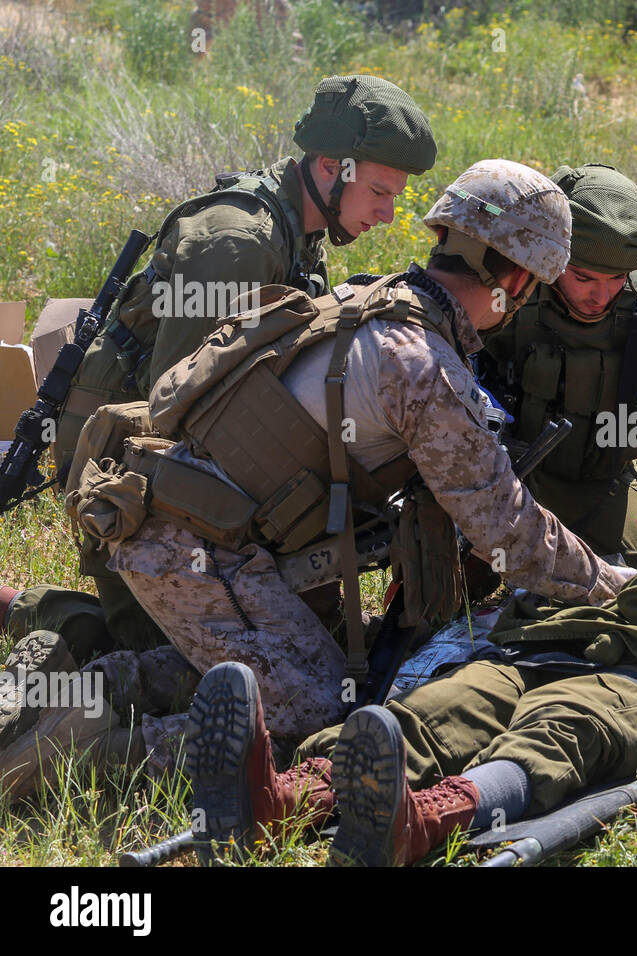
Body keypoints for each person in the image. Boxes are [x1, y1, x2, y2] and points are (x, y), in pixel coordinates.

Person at [0, 160, 632, 802]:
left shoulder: (370, 302)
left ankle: (76, 689)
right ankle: (76, 758)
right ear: (519, 279)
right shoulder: (421, 367)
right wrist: (617, 587)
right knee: (311, 713)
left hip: (177, 524)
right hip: (193, 551)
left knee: (270, 662)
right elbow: (509, 532)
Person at [1, 74, 438, 679]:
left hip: (171, 439)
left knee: (280, 635)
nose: (389, 215)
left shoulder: (298, 231)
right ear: (335, 168)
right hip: (120, 457)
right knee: (175, 665)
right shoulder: (239, 243)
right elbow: (171, 408)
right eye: (382, 192)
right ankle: (19, 610)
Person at [180, 518, 637, 865]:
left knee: (562, 732)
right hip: (560, 643)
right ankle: (283, 800)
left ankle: (422, 822)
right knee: (436, 711)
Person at [476, 163, 637, 557]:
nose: (601, 295)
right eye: (584, 278)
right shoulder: (512, 294)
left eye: (616, 279)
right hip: (506, 483)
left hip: (602, 488)